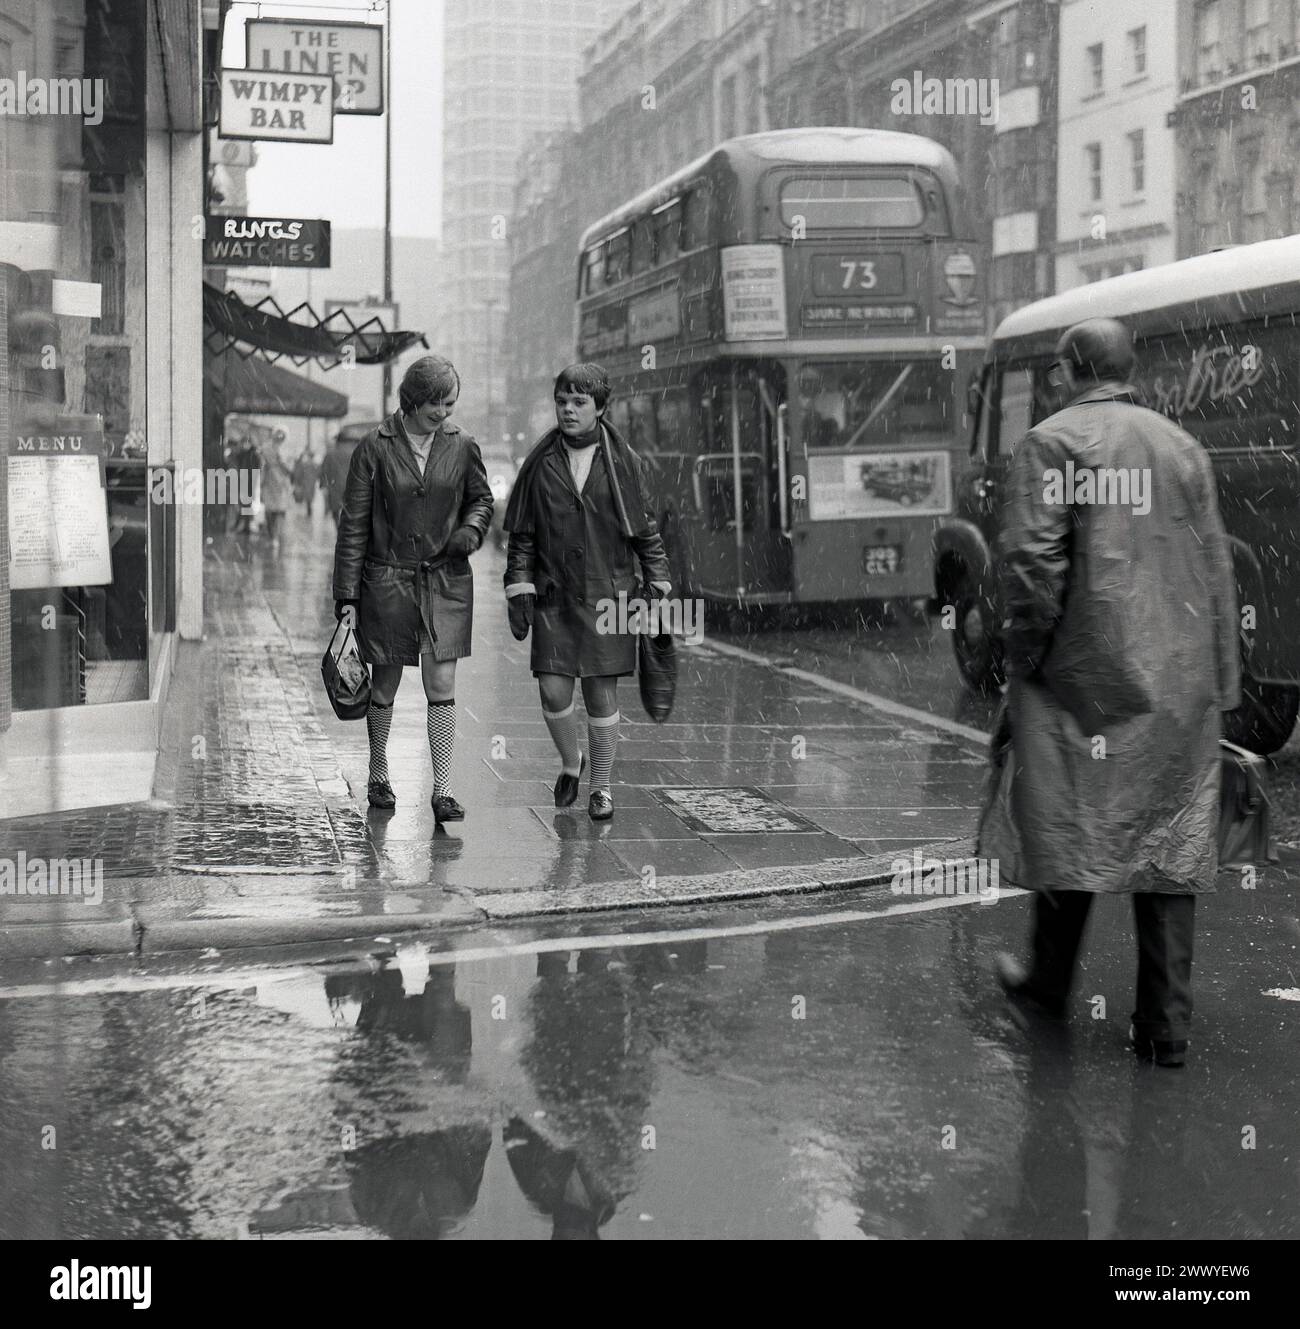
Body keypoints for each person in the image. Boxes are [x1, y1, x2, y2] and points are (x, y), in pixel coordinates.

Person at [979, 317, 1240, 1068]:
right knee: (1168, 843)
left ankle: (1047, 983)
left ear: (1069, 368)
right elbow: (1216, 565)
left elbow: (1032, 567)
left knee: (1069, 823)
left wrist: (1023, 660)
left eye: (1054, 367)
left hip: (1081, 679)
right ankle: (1165, 1026)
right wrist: (1220, 681)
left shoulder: (1054, 443)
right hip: (1176, 680)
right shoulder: (1181, 445)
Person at [503, 363, 671, 822]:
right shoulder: (541, 464)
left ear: (600, 408)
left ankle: (601, 786)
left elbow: (646, 532)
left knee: (600, 696)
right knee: (553, 694)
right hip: (556, 598)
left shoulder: (625, 463)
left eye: (579, 402)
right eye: (562, 402)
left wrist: (658, 583)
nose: (568, 410)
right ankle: (570, 762)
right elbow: (524, 535)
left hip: (609, 596)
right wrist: (519, 586)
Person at [332, 356, 493, 823]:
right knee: (384, 683)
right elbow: (353, 525)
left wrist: (472, 530)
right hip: (388, 583)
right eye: (434, 407)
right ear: (411, 402)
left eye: (449, 405)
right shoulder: (374, 448)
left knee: (441, 684)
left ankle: (442, 789)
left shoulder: (463, 446)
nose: (443, 415)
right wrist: (347, 597)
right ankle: (378, 772)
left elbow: (481, 499)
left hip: (446, 583)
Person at [321, 427, 362, 525]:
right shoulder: (358, 453)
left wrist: (324, 486)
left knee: (336, 512)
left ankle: (339, 530)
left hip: (335, 488)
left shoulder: (330, 455)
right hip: (354, 487)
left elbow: (324, 472)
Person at [259, 432, 293, 550]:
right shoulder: (283, 450)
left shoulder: (265, 449)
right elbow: (288, 468)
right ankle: (275, 537)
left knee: (271, 511)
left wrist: (261, 483)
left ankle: (273, 536)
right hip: (280, 482)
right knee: (279, 511)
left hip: (271, 482)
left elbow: (262, 468)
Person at [292, 447, 319, 515]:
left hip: (307, 483)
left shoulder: (306, 464)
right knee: (308, 497)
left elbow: (299, 473)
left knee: (307, 497)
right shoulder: (312, 464)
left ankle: (308, 509)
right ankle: (308, 509)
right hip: (309, 483)